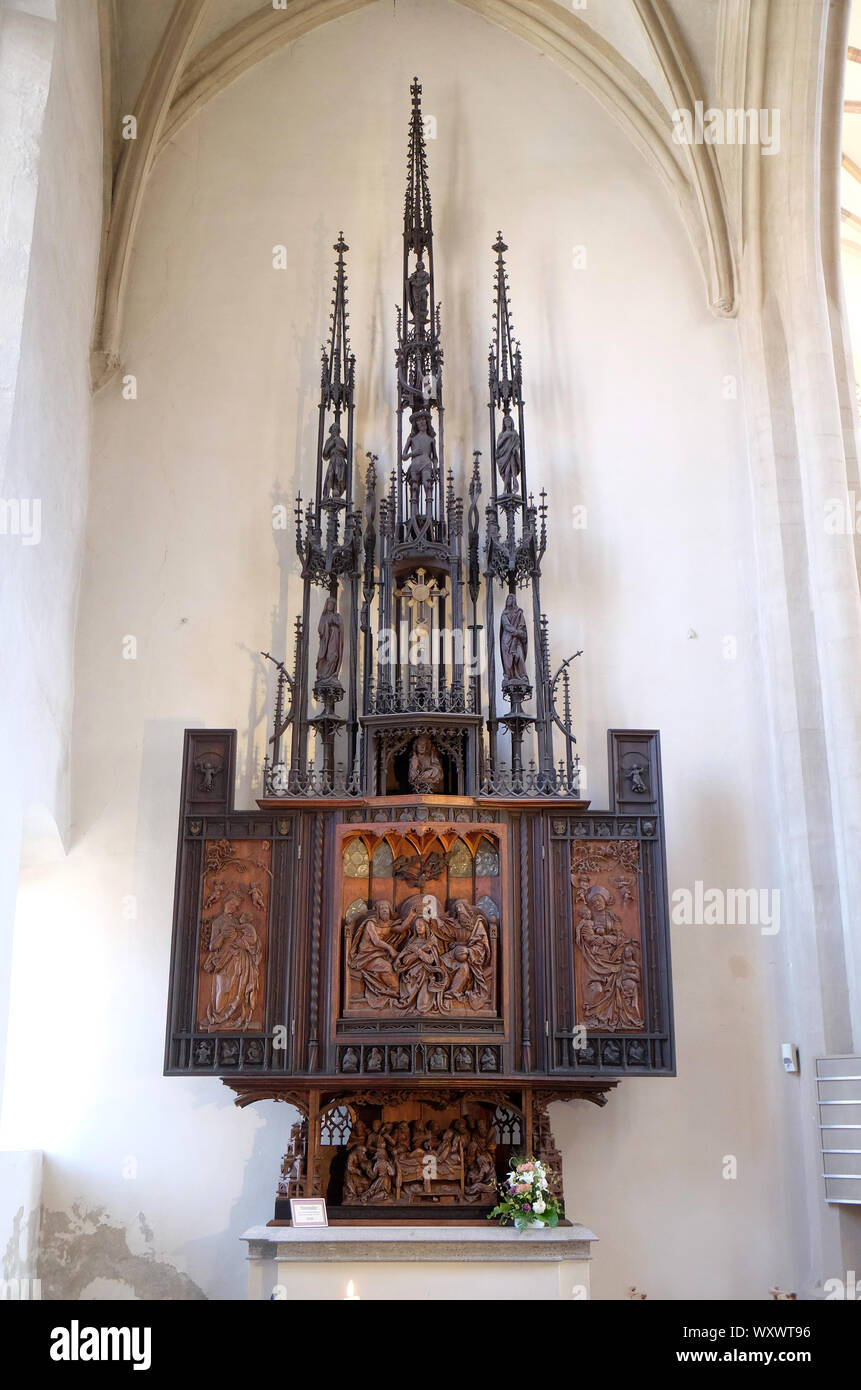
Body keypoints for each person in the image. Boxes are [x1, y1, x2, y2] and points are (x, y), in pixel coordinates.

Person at [201, 896, 261, 1030]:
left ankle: (232, 1019)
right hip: (223, 961)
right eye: (235, 904)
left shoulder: (235, 921)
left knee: (235, 989)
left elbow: (246, 936)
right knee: (223, 990)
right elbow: (212, 946)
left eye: (238, 905)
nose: (237, 908)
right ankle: (218, 1018)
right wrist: (222, 935)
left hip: (237, 960)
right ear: (227, 902)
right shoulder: (218, 922)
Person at [347, 901, 401, 1009]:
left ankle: (395, 993)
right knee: (386, 967)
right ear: (378, 912)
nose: (385, 910)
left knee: (399, 964)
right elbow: (376, 941)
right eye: (382, 908)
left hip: (378, 954)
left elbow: (401, 928)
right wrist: (390, 948)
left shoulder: (388, 924)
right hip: (366, 957)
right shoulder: (371, 923)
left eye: (387, 908)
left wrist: (411, 916)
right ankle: (394, 992)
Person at [500, 593, 528, 681]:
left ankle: (523, 675)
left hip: (517, 640)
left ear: (514, 601)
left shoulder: (519, 613)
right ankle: (508, 675)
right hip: (506, 640)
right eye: (507, 599)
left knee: (519, 655)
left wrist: (518, 634)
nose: (509, 601)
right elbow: (506, 626)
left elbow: (522, 624)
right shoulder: (504, 614)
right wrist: (517, 632)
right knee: (508, 659)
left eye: (510, 599)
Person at [316, 595, 343, 680]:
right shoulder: (323, 616)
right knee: (321, 657)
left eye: (332, 604)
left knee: (332, 657)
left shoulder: (337, 616)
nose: (330, 605)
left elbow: (341, 627)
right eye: (329, 603)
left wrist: (335, 623)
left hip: (334, 639)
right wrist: (327, 625)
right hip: (325, 641)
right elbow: (320, 629)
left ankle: (330, 675)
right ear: (326, 605)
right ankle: (322, 676)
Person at [495, 413, 521, 494]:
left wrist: (515, 449)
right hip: (504, 456)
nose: (507, 422)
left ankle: (512, 487)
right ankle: (506, 489)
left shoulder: (514, 433)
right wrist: (505, 437)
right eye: (506, 421)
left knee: (510, 472)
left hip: (512, 455)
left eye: (509, 420)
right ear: (504, 423)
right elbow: (498, 445)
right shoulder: (502, 434)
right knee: (506, 473)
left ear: (512, 422)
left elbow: (518, 443)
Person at [321, 421, 348, 498]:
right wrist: (331, 444)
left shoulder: (341, 440)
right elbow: (325, 455)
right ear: (331, 430)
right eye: (334, 429)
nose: (335, 430)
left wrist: (341, 449)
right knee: (330, 476)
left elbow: (347, 455)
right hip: (333, 461)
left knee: (339, 479)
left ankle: (337, 492)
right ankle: (327, 495)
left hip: (340, 462)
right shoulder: (329, 441)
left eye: (337, 429)